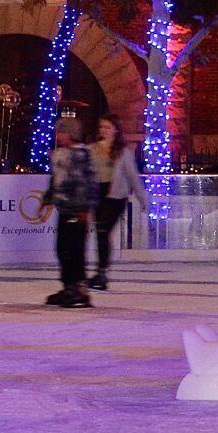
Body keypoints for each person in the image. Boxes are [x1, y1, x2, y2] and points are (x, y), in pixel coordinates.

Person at [42, 118, 98, 309]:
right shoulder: (61, 154)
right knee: (62, 249)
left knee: (74, 251)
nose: (58, 136)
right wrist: (48, 198)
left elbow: (85, 183)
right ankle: (68, 285)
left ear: (71, 134)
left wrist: (84, 208)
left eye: (62, 132)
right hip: (64, 209)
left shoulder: (81, 154)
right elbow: (57, 180)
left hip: (77, 210)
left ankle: (79, 289)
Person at [91, 115, 145, 292]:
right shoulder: (92, 149)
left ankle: (102, 272)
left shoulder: (123, 152)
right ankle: (101, 271)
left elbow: (133, 176)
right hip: (98, 195)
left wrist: (142, 198)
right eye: (102, 127)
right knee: (100, 233)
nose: (104, 131)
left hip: (115, 197)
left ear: (115, 130)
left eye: (107, 127)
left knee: (103, 230)